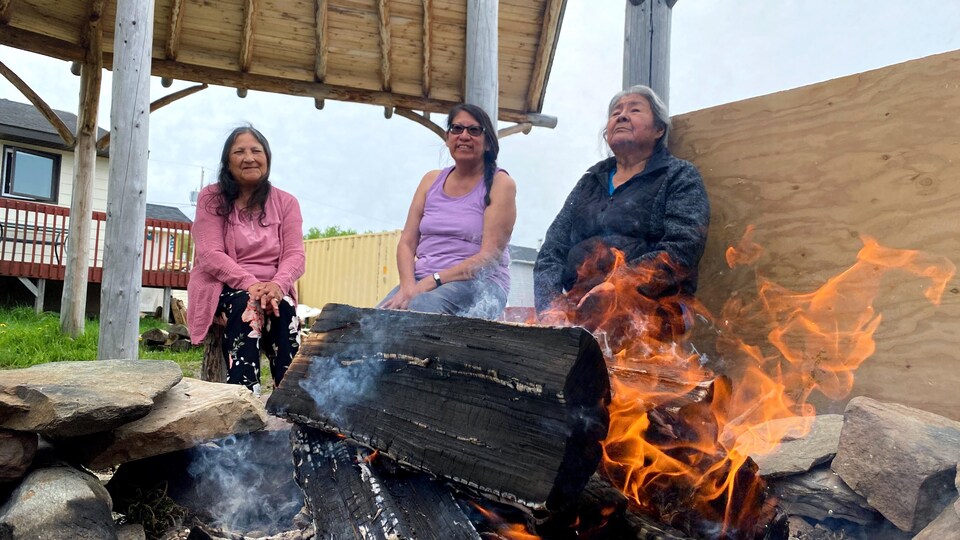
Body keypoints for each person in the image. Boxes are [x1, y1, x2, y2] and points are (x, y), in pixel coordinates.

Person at [534, 85, 709, 339]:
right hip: (580, 313)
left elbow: (683, 247)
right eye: (616, 112)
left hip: (650, 313)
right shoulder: (590, 181)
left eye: (634, 110)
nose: (622, 116)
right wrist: (550, 308)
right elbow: (551, 252)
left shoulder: (679, 176)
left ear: (659, 130)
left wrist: (619, 286)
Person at [188, 126, 305, 394]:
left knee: (283, 309)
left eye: (256, 150)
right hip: (223, 286)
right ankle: (244, 397)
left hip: (274, 288)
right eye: (239, 151)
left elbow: (295, 255)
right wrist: (250, 283)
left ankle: (289, 399)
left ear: (267, 157)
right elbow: (209, 254)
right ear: (227, 162)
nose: (249, 157)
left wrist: (277, 285)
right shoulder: (212, 198)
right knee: (248, 305)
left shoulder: (287, 202)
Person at [378, 103, 517, 319]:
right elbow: (406, 243)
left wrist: (433, 280)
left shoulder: (500, 184)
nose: (464, 136)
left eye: (474, 130)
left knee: (422, 308)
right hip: (421, 282)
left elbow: (488, 258)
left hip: (479, 284)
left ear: (488, 142)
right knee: (374, 319)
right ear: (447, 137)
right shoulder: (430, 180)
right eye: (457, 129)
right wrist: (407, 286)